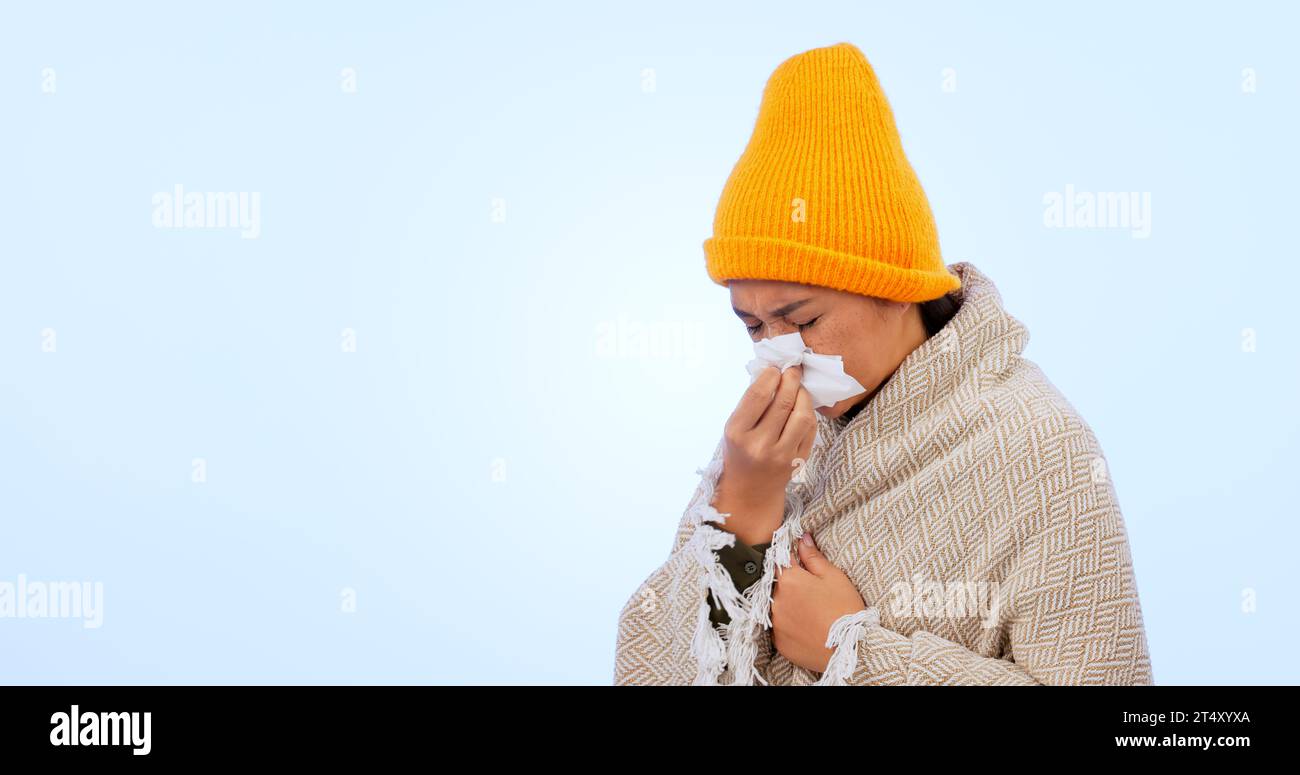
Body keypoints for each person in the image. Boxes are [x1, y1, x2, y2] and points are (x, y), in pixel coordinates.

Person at [613, 41, 1153, 685]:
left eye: (804, 319)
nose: (779, 353)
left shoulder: (1040, 450)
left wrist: (856, 655)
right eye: (753, 325)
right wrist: (741, 519)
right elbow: (648, 672)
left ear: (898, 289)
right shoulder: (766, 448)